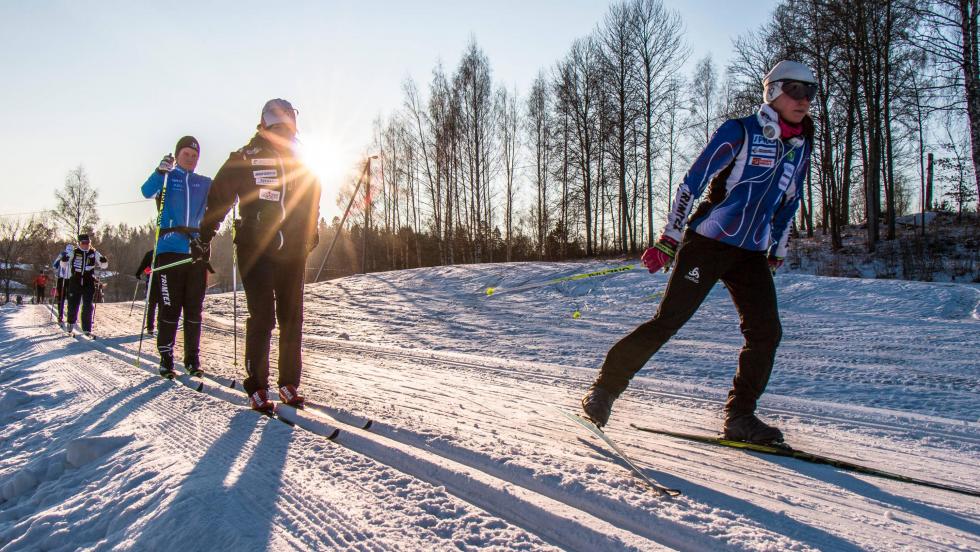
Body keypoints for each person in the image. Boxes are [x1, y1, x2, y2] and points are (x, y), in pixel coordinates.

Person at [580, 60, 815, 445]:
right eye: (795, 90)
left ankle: (740, 417)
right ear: (772, 91)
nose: (804, 100)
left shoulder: (799, 147)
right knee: (668, 321)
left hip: (751, 252)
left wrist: (777, 248)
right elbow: (692, 181)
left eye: (810, 93)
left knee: (766, 333)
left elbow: (791, 199)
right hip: (708, 242)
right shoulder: (740, 130)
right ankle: (604, 391)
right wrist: (670, 238)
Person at [200, 99, 321, 412]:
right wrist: (205, 233)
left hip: (293, 250)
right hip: (257, 249)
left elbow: (313, 191)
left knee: (292, 318)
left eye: (289, 127)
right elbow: (219, 196)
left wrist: (311, 229)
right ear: (265, 126)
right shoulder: (247, 156)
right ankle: (257, 385)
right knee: (264, 316)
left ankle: (288, 383)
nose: (284, 133)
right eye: (278, 127)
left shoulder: (301, 159)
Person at [141, 136, 212, 378]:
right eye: (186, 155)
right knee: (169, 308)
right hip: (169, 251)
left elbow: (226, 195)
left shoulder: (204, 183)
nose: (190, 159)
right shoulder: (168, 178)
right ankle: (166, 357)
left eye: (194, 156)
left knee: (194, 309)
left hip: (195, 252)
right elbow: (146, 191)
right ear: (177, 155)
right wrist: (160, 171)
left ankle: (192, 359)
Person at [63, 234, 109, 336]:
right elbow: (63, 264)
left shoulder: (93, 252)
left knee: (88, 305)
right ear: (79, 243)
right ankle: (70, 324)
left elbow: (104, 265)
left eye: (88, 243)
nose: (86, 245)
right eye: (83, 243)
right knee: (73, 304)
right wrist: (64, 259)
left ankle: (87, 329)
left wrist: (104, 261)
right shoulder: (74, 252)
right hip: (75, 280)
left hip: (88, 281)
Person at [135, 249, 159, 335]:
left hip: (154, 281)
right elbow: (144, 265)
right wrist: (138, 273)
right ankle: (153, 327)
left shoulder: (150, 253)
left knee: (153, 305)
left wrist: (138, 273)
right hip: (157, 281)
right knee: (157, 304)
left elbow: (143, 265)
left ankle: (151, 327)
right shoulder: (152, 253)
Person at [52, 245, 72, 324]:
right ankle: (62, 315)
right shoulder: (63, 254)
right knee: (64, 297)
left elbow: (54, 265)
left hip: (68, 278)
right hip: (63, 278)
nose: (68, 253)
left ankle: (66, 316)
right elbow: (55, 265)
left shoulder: (70, 255)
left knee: (66, 297)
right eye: (68, 251)